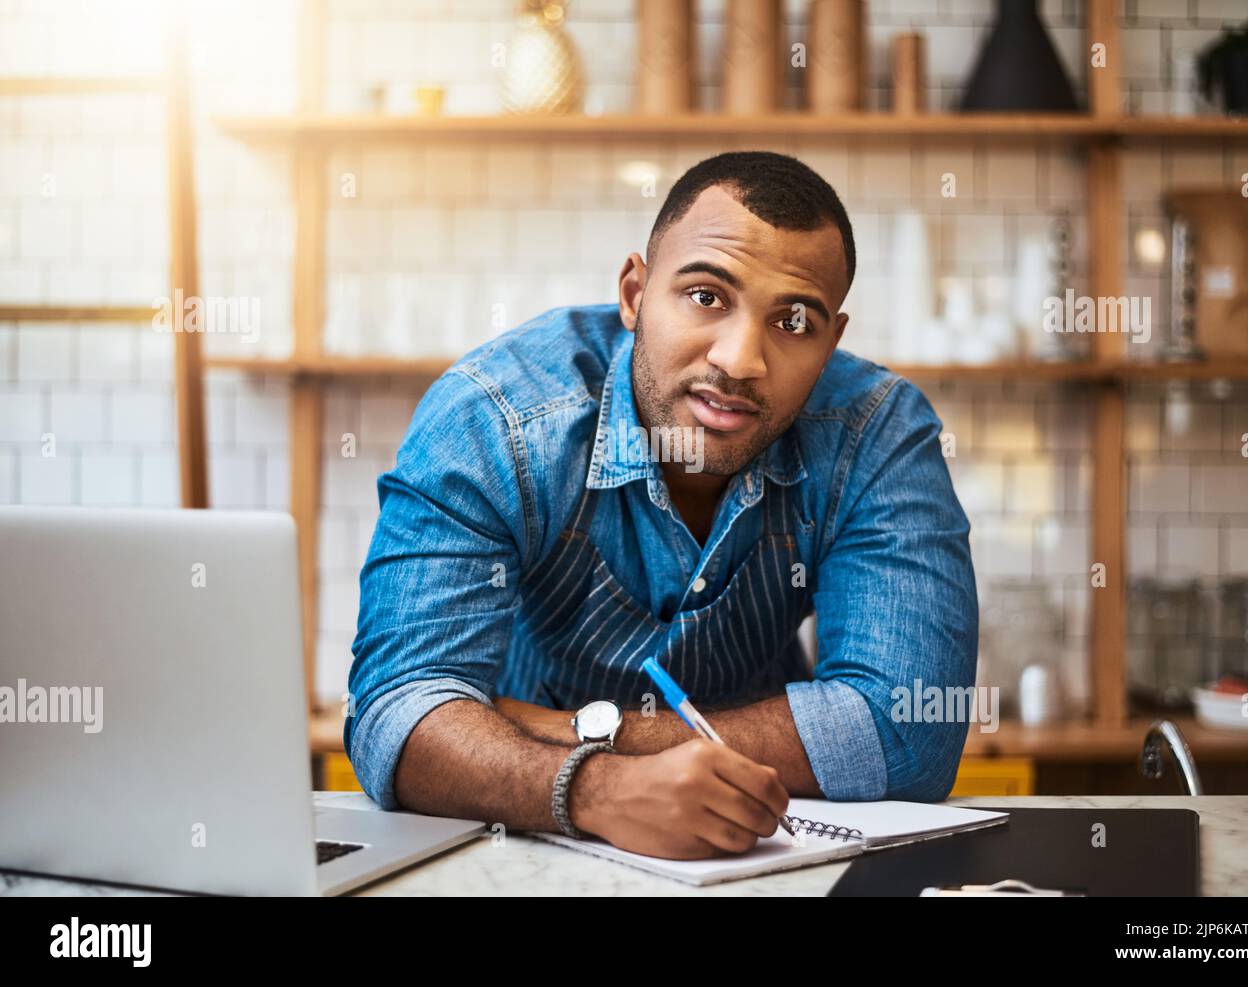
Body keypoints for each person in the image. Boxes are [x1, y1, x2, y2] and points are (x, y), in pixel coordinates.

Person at [345, 150, 977, 860]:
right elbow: (396, 713)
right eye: (706, 296)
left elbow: (909, 727)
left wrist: (578, 730)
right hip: (524, 840)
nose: (740, 360)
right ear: (635, 293)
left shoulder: (877, 433)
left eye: (793, 320)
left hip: (768, 847)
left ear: (831, 341)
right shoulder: (494, 418)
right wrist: (597, 790)